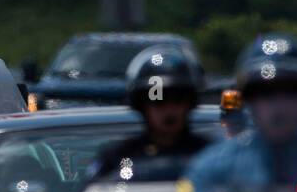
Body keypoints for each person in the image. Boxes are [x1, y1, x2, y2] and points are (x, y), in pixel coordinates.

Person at [178, 33, 297, 192]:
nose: (279, 105)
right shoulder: (213, 168)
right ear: (248, 99)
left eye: (291, 91)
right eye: (265, 92)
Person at [84, 45, 211, 183]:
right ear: (141, 105)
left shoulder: (210, 156)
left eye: (177, 100)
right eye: (158, 101)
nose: (168, 110)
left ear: (190, 103)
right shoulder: (120, 159)